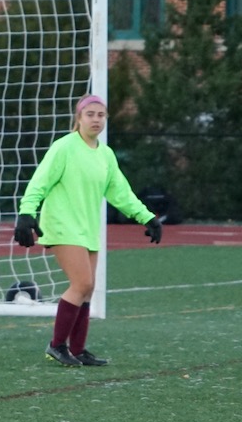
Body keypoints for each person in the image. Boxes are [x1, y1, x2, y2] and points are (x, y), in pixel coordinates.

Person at [13, 93, 163, 367]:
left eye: (101, 115)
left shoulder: (105, 154)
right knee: (81, 284)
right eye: (90, 114)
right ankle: (56, 346)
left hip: (86, 229)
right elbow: (39, 182)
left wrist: (147, 217)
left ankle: (78, 350)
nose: (96, 119)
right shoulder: (64, 147)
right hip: (61, 225)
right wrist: (26, 213)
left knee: (88, 289)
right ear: (78, 118)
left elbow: (121, 192)